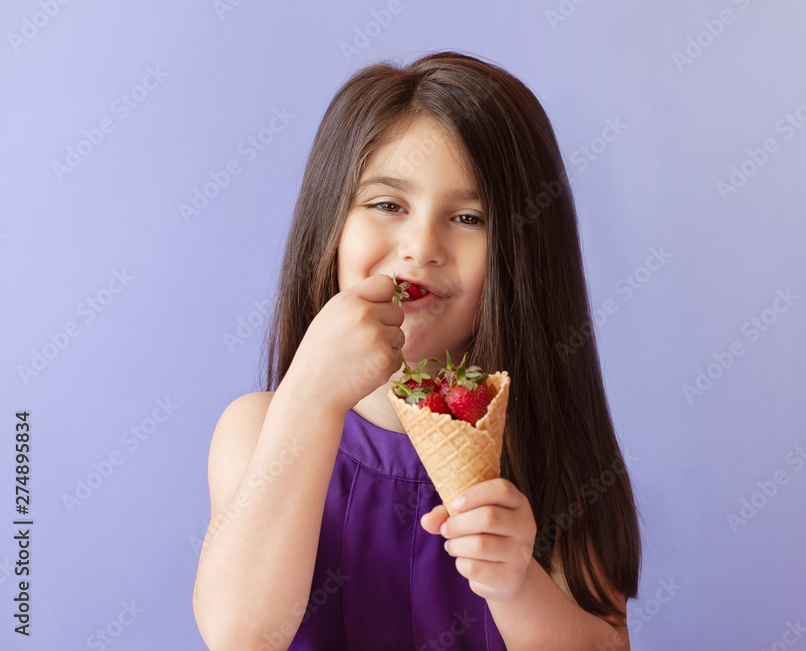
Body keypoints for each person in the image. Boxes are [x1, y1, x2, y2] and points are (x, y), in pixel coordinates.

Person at [192, 50, 641, 650]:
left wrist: (516, 586)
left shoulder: (547, 444)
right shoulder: (255, 430)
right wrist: (311, 395)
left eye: (468, 217)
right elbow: (241, 635)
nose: (422, 245)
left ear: (522, 254)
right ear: (329, 223)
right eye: (387, 205)